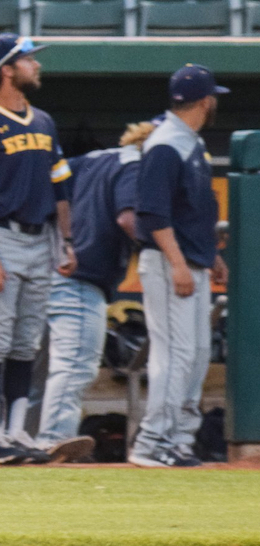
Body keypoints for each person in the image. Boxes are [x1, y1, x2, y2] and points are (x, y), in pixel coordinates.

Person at [0, 34, 76, 465]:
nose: (36, 66)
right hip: (1, 235)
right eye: (28, 60)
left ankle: (16, 432)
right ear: (6, 70)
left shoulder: (44, 122)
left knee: (26, 343)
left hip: (41, 238)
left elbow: (60, 188)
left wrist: (66, 242)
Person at [33, 120, 157, 463]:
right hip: (78, 275)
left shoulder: (93, 159)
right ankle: (52, 442)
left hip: (50, 269)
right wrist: (167, 248)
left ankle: (40, 441)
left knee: (49, 366)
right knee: (74, 365)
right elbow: (128, 219)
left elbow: (45, 191)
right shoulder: (135, 164)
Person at [128, 64, 229, 468]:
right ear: (205, 101)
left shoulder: (188, 142)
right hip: (171, 265)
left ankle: (179, 439)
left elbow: (193, 213)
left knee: (198, 353)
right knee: (175, 355)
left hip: (193, 261)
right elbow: (152, 214)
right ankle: (152, 442)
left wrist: (212, 257)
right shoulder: (167, 143)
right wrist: (178, 264)